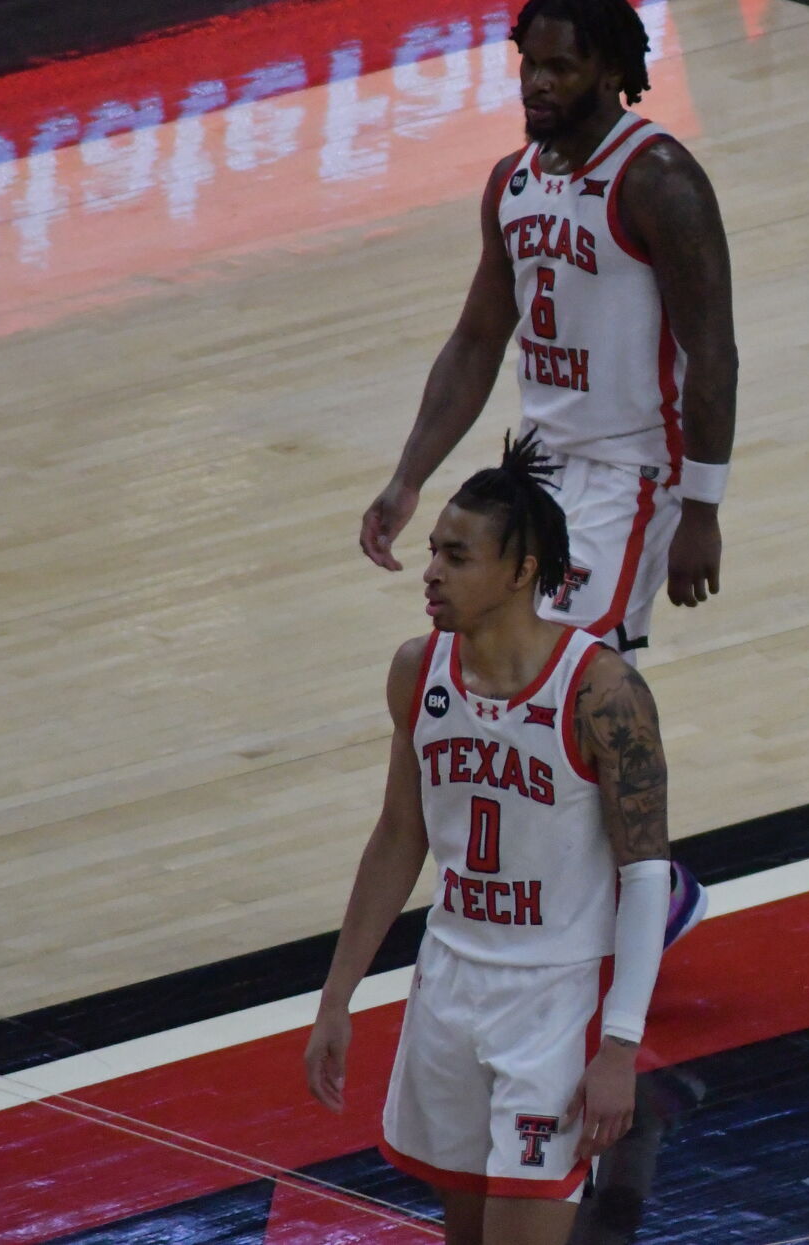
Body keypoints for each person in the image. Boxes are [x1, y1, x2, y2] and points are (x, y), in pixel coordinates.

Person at [359, 0, 734, 944]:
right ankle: (617, 879)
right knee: (512, 665)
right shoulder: (513, 183)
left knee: (560, 674)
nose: (538, 83)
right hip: (540, 467)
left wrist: (703, 505)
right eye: (530, 63)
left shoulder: (658, 180)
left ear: (612, 71)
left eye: (561, 66)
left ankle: (641, 886)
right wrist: (408, 477)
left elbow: (713, 349)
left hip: (632, 477)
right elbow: (479, 337)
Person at [309, 433, 675, 1245]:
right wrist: (338, 995)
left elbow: (647, 873)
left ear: (521, 571)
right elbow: (400, 834)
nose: (431, 570)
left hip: (556, 997)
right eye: (434, 549)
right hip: (450, 985)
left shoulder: (603, 692)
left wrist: (619, 1045)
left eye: (457, 555)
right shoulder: (418, 671)